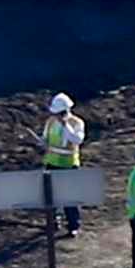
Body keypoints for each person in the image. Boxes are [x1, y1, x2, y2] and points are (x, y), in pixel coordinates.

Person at [42, 92, 89, 235]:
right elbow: (45, 138)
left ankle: (73, 225)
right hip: (52, 162)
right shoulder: (50, 122)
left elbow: (77, 140)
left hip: (69, 164)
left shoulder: (77, 123)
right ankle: (54, 221)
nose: (57, 116)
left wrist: (65, 125)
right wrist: (42, 143)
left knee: (70, 198)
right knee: (51, 196)